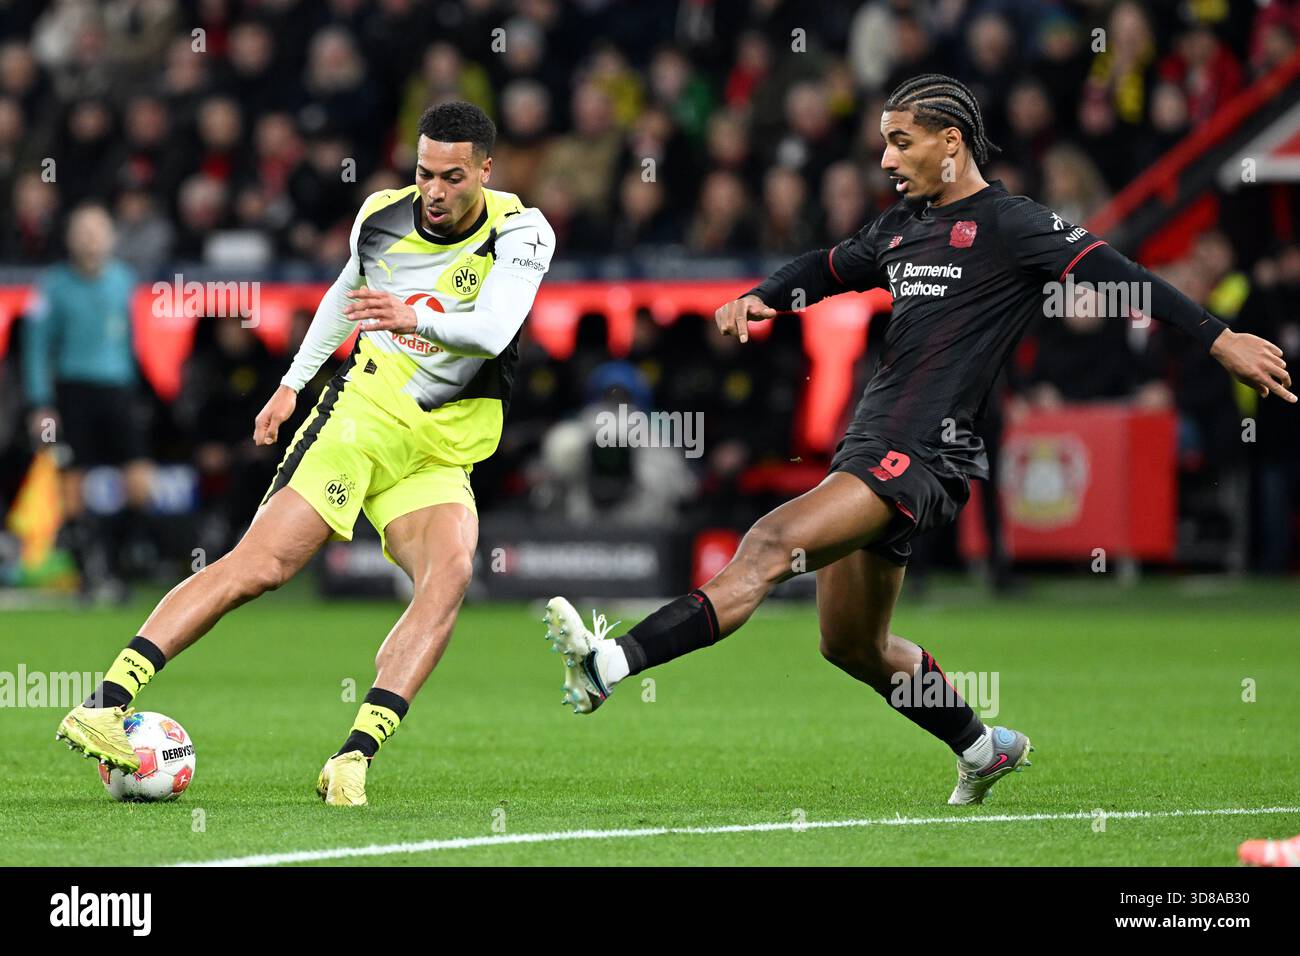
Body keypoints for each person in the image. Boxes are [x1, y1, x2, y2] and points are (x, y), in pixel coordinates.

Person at [542, 75, 1294, 806]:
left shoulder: (1011, 224)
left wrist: (1218, 337)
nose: (886, 160)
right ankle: (981, 747)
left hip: (924, 453)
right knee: (852, 645)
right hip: (869, 443)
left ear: (951, 142)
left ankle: (609, 661)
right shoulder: (901, 228)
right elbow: (829, 268)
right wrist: (764, 297)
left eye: (901, 143)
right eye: (884, 144)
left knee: (769, 544)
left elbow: (1118, 272)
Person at [55, 101, 557, 806]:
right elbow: (341, 294)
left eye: (451, 177)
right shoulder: (382, 217)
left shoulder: (523, 231)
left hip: (443, 453)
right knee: (260, 566)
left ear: (485, 170)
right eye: (423, 174)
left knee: (449, 576)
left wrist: (412, 314)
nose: (434, 192)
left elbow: (498, 327)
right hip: (360, 421)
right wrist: (291, 385)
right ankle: (106, 701)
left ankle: (353, 756)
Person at [22, 204, 151, 601]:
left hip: (118, 391)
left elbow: (138, 342)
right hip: (73, 392)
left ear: (111, 237)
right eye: (82, 231)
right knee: (73, 483)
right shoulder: (52, 286)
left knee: (140, 483)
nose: (90, 239)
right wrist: (40, 403)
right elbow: (36, 349)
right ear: (70, 238)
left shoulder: (126, 282)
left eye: (97, 231)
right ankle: (85, 572)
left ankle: (118, 561)